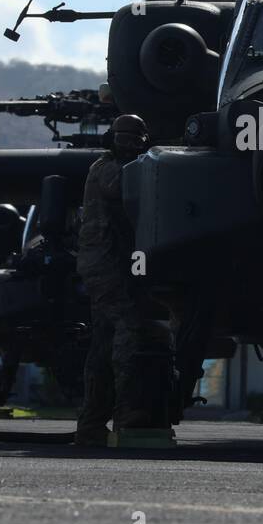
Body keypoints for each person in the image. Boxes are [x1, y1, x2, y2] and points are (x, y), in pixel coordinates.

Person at [74, 114, 159, 445]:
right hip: (104, 264)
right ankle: (127, 414)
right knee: (129, 329)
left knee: (103, 342)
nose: (127, 145)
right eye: (122, 139)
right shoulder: (106, 168)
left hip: (109, 264)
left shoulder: (115, 165)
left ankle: (92, 423)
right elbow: (120, 188)